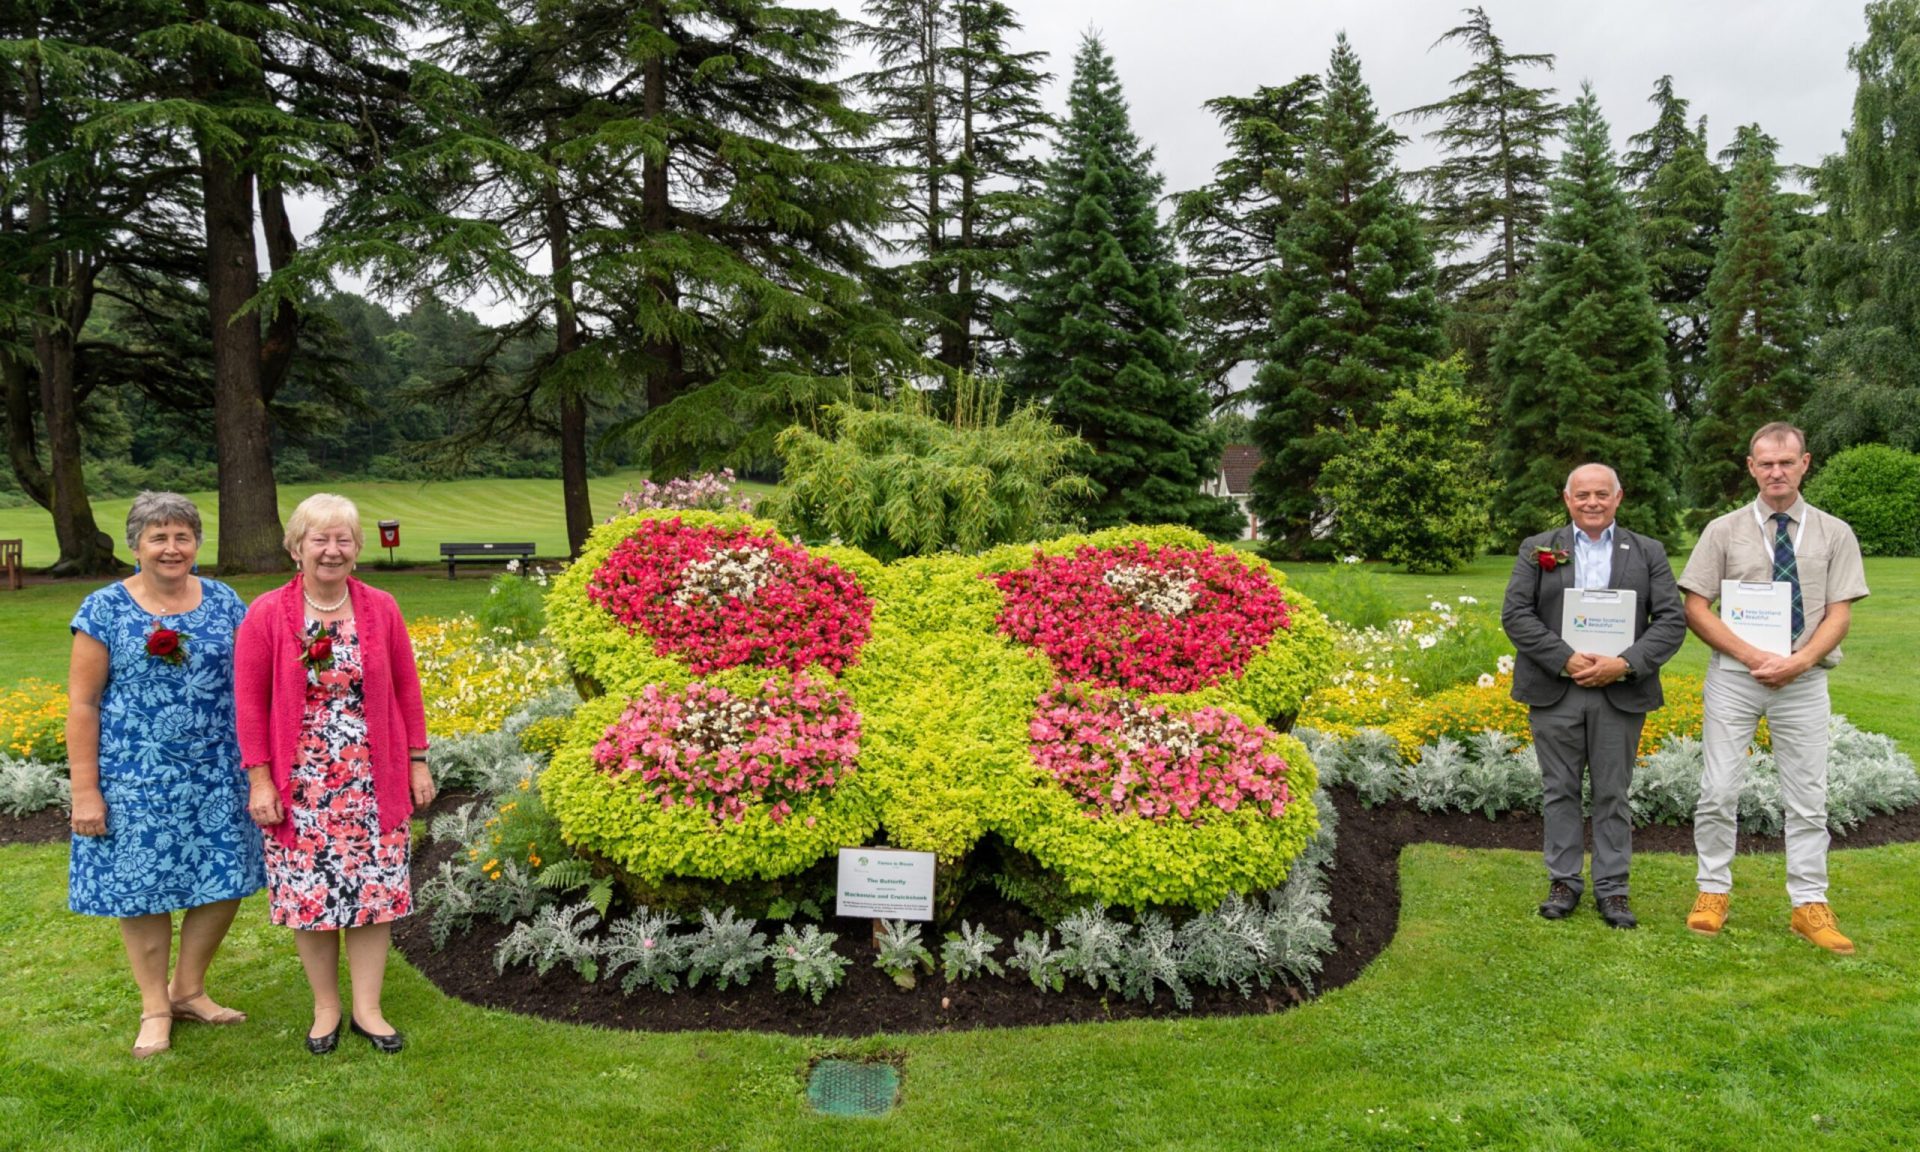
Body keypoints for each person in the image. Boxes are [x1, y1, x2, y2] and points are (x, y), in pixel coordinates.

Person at [66, 492, 265, 1059]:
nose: (171, 548)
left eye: (182, 537)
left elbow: (254, 684)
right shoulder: (104, 610)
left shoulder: (227, 603)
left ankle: (189, 989)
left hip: (218, 774)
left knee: (224, 880)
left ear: (197, 545)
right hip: (136, 776)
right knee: (142, 891)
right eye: (159, 537)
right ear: (136, 546)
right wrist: (86, 790)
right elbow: (83, 703)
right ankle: (155, 1006)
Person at [236, 493, 433, 1054]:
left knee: (374, 891)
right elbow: (249, 705)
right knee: (311, 896)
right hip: (303, 786)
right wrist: (260, 779)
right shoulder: (268, 613)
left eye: (343, 538)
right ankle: (327, 1007)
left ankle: (369, 1009)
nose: (331, 549)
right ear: (296, 548)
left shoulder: (382, 608)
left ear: (357, 548)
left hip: (376, 778)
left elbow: (406, 688)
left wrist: (418, 761)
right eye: (319, 539)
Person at [1678, 423, 1869, 954]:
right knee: (1718, 789)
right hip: (1736, 679)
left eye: (1786, 462)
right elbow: (1695, 605)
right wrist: (1750, 655)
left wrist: (1801, 660)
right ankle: (1712, 890)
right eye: (1766, 463)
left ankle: (1809, 904)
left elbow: (1839, 611)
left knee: (1808, 798)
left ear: (1805, 463)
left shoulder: (1835, 533)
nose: (1776, 472)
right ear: (1751, 466)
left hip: (1804, 682)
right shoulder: (1723, 530)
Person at [1501, 463, 1686, 929]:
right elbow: (1517, 615)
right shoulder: (1539, 549)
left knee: (1612, 793)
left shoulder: (1647, 552)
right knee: (1559, 789)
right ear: (1567, 499)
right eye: (1582, 495)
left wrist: (1622, 664)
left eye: (1601, 494)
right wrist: (1565, 658)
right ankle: (1563, 880)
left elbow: (1670, 621)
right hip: (1556, 688)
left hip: (1620, 692)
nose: (1592, 502)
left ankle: (1613, 888)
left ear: (1618, 498)